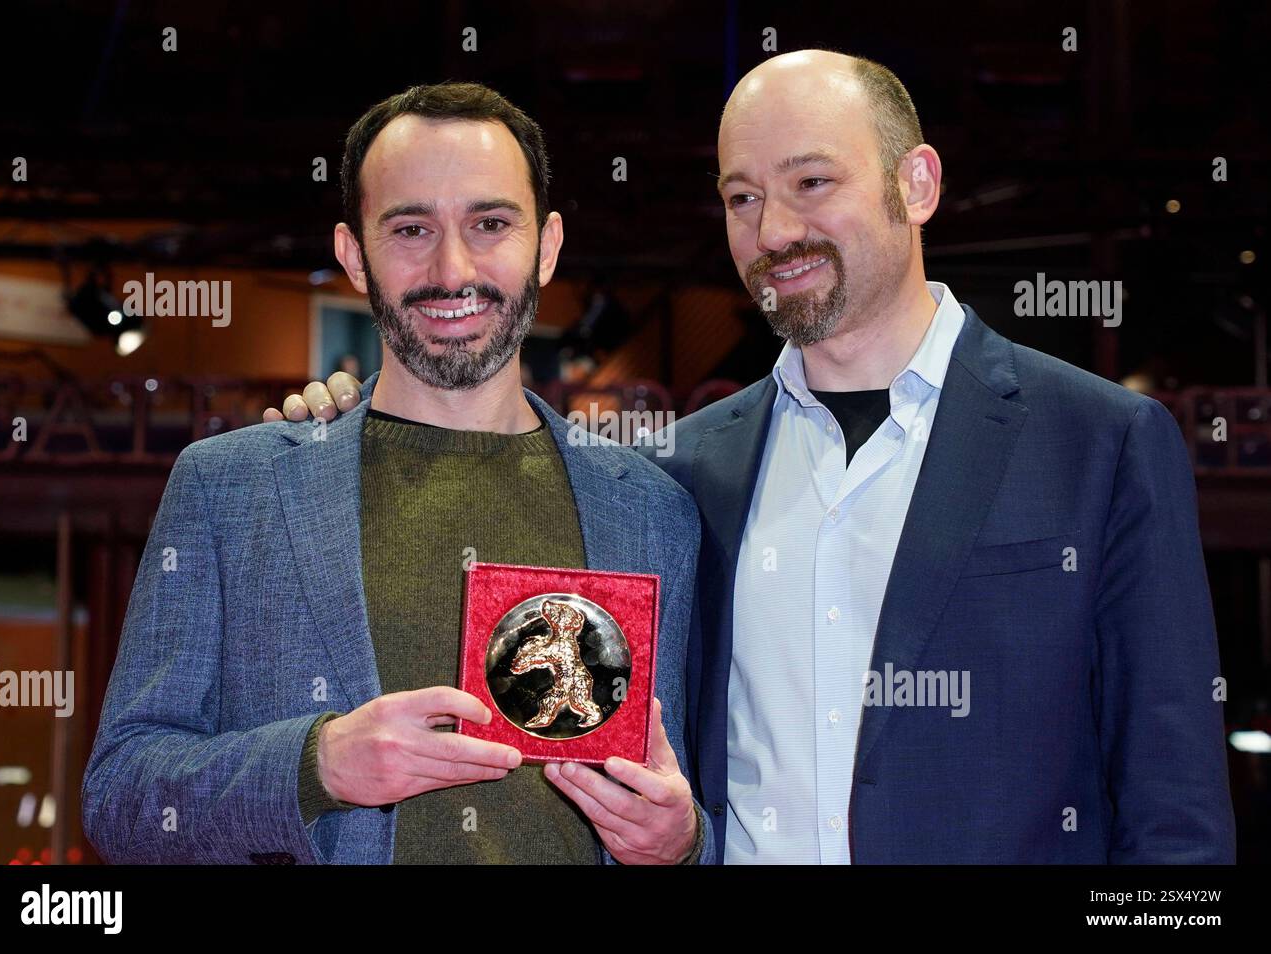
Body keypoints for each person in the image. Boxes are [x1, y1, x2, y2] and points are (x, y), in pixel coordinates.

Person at [272, 52, 1236, 864]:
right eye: (743, 198)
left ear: (918, 184)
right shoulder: (687, 472)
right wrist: (352, 423)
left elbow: (1177, 817)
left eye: (812, 183)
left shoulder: (1101, 442)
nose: (773, 232)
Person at [84, 82, 712, 865]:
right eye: (411, 228)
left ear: (547, 246)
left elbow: (679, 792)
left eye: (490, 223)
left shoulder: (652, 510)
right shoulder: (231, 489)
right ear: (354, 254)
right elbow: (121, 797)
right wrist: (318, 764)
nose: (453, 269)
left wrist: (681, 841)